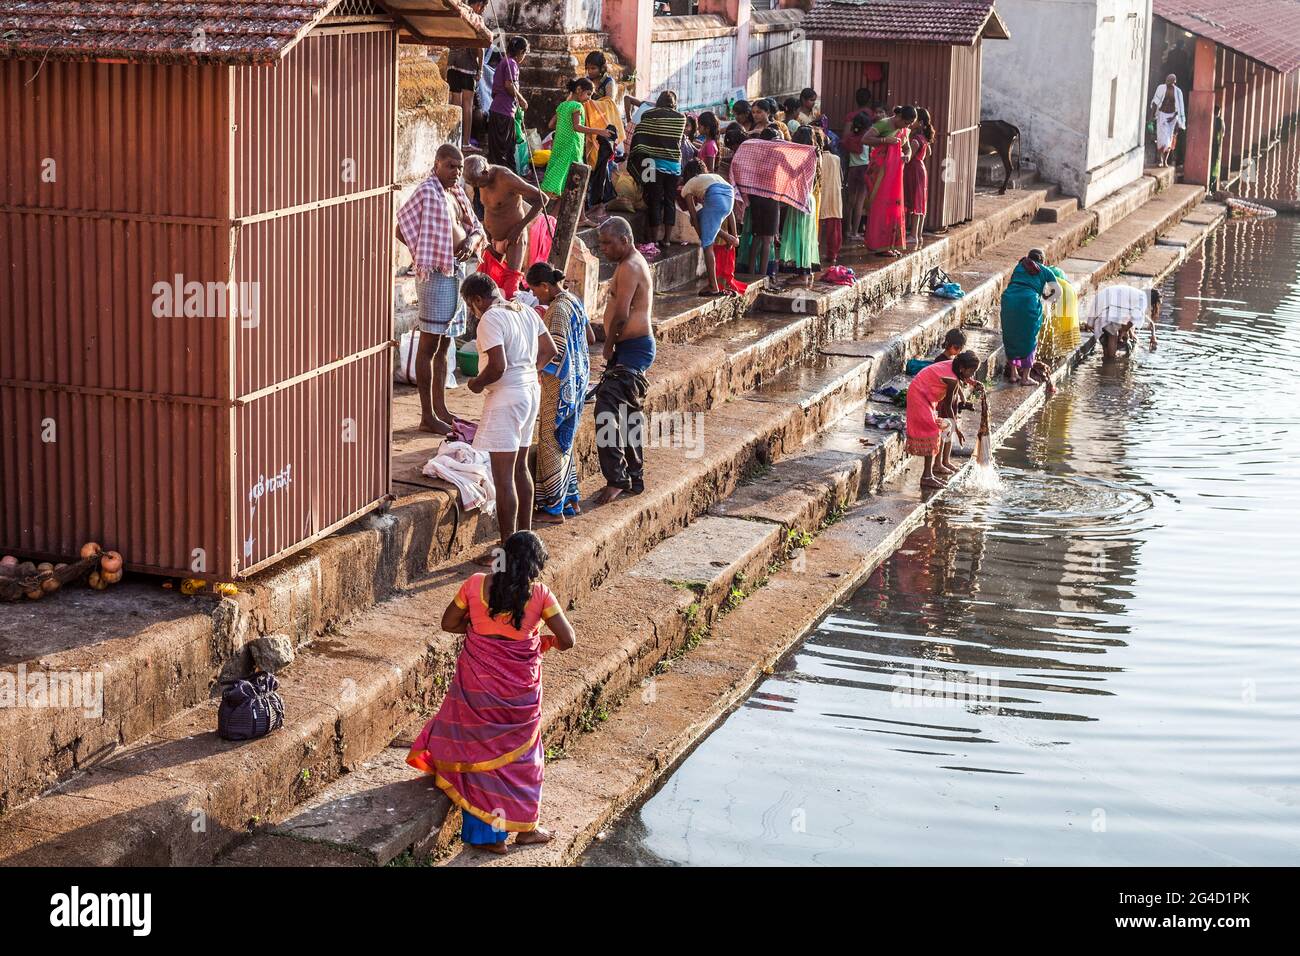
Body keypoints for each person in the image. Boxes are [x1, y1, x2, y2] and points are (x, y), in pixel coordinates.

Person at [406, 530, 576, 854]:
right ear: (534, 565)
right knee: (524, 759)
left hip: (475, 687)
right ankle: (526, 830)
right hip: (519, 697)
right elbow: (568, 640)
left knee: (478, 751)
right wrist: (540, 641)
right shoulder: (540, 595)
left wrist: (479, 633)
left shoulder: (474, 585)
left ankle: (489, 837)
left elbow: (449, 622)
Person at [460, 273, 557, 561]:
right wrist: (529, 370)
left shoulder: (490, 318)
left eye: (471, 307)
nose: (473, 313)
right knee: (520, 469)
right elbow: (549, 350)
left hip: (507, 398)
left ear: (477, 300)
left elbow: (497, 366)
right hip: (529, 392)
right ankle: (526, 542)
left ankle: (508, 548)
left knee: (504, 478)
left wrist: (476, 384)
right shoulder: (525, 309)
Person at [396, 144, 486, 435]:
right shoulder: (426, 191)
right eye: (450, 166)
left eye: (459, 168)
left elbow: (475, 227)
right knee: (429, 345)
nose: (456, 172)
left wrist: (471, 243)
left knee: (445, 344)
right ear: (437, 164)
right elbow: (401, 225)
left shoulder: (456, 193)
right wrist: (423, 251)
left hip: (455, 273)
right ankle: (427, 415)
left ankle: (440, 407)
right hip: (434, 276)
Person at [593, 217, 654, 504]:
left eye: (607, 242)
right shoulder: (628, 263)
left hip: (632, 348)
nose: (603, 248)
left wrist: (608, 346)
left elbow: (620, 314)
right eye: (601, 242)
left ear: (625, 241)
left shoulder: (630, 266)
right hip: (631, 347)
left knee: (605, 409)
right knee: (628, 415)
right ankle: (635, 477)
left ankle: (617, 478)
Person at [526, 262, 594, 523]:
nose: (535, 296)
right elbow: (589, 337)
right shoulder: (573, 300)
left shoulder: (557, 310)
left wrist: (534, 368)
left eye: (535, 291)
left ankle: (553, 508)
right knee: (565, 441)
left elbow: (556, 350)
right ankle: (570, 499)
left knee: (551, 441)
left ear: (545, 286)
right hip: (578, 382)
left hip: (560, 385)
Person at [463, 153, 547, 286]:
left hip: (513, 238)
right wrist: (486, 234)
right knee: (486, 285)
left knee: (510, 285)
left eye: (476, 182)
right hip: (491, 240)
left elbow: (542, 199)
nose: (476, 186)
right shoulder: (480, 181)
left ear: (485, 172)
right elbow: (488, 209)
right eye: (471, 183)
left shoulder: (506, 178)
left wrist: (519, 228)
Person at [905, 350, 983, 491]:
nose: (971, 375)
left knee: (944, 425)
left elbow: (961, 376)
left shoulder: (954, 365)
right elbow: (947, 406)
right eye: (971, 372)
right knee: (933, 430)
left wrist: (972, 382)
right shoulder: (952, 379)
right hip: (918, 394)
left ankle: (937, 465)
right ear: (962, 368)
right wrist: (957, 430)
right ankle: (926, 477)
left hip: (926, 395)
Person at [543, 78, 613, 212]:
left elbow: (551, 125)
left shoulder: (562, 106)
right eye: (588, 94)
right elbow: (577, 127)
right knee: (573, 182)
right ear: (579, 90)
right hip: (571, 148)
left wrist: (564, 128)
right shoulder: (577, 106)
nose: (589, 99)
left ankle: (558, 216)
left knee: (564, 183)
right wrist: (600, 131)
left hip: (559, 147)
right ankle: (552, 217)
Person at [629, 91, 687, 247]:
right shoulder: (681, 118)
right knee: (669, 201)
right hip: (674, 166)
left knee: (652, 200)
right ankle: (666, 240)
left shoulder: (649, 114)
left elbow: (641, 134)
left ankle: (653, 240)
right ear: (674, 104)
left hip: (651, 164)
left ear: (659, 101)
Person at [1000, 248, 1061, 386]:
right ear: (1043, 261)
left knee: (1011, 334)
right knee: (1030, 338)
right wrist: (1047, 298)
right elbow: (1058, 291)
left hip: (1009, 300)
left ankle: (1014, 373)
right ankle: (1025, 377)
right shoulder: (1045, 270)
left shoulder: (1019, 266)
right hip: (1029, 302)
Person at [679, 159, 737, 296]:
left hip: (716, 198)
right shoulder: (712, 177)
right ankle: (730, 238)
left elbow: (693, 215)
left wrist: (702, 237)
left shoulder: (688, 185)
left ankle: (713, 286)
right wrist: (734, 233)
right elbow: (730, 212)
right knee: (703, 218)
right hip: (730, 196)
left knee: (707, 246)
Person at [863, 105, 914, 256]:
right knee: (880, 207)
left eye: (910, 124)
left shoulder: (903, 129)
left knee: (893, 206)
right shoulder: (884, 124)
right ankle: (878, 244)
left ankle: (890, 244)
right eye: (906, 123)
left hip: (894, 173)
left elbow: (908, 148)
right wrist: (885, 140)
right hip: (879, 173)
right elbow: (865, 139)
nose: (907, 126)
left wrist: (907, 156)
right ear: (898, 117)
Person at [776, 125, 822, 290]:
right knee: (805, 236)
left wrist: (782, 161)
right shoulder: (815, 153)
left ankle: (803, 276)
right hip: (807, 199)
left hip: (801, 200)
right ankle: (805, 273)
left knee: (800, 236)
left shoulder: (805, 155)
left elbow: (794, 174)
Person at [446, 0, 488, 148]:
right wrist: (480, 69)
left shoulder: (457, 14)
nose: (482, 10)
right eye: (483, 7)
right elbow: (481, 47)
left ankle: (454, 142)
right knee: (467, 105)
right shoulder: (475, 18)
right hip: (467, 65)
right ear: (479, 4)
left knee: (455, 102)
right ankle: (465, 142)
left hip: (452, 63)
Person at [1086, 284, 1160, 360]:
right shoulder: (1143, 299)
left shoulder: (1137, 295)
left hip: (1102, 300)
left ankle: (1106, 361)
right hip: (1106, 303)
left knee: (1108, 336)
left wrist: (1152, 336)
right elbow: (1134, 318)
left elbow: (1139, 319)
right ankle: (1111, 362)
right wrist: (1123, 332)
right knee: (1113, 334)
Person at [488, 36, 529, 171]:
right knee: (505, 152)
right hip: (503, 112)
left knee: (498, 152)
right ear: (521, 52)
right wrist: (522, 100)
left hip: (498, 110)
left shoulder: (504, 62)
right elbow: (509, 85)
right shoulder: (511, 63)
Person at [905, 107, 933, 249]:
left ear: (920, 122)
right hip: (921, 169)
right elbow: (928, 152)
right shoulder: (924, 138)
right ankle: (918, 235)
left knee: (915, 201)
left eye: (915, 120)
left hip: (914, 170)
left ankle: (913, 235)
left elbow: (909, 157)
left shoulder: (916, 139)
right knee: (920, 202)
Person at [817, 125, 844, 266]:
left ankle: (814, 253)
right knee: (833, 228)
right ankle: (832, 255)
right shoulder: (836, 159)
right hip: (834, 196)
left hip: (820, 195)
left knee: (817, 226)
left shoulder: (816, 158)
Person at [843, 112, 871, 239]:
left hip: (852, 170)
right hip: (864, 170)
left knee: (849, 202)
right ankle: (855, 232)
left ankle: (847, 230)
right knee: (859, 203)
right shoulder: (866, 138)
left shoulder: (850, 137)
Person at [1150, 73, 1185, 168]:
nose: (1167, 82)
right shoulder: (1161, 88)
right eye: (1167, 80)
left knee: (1169, 140)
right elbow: (1155, 102)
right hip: (1162, 115)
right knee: (1161, 139)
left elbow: (1180, 108)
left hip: (1172, 117)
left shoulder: (1178, 92)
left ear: (1174, 81)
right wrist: (1152, 115)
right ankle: (1160, 160)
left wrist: (1173, 118)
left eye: (1169, 81)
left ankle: (1165, 161)